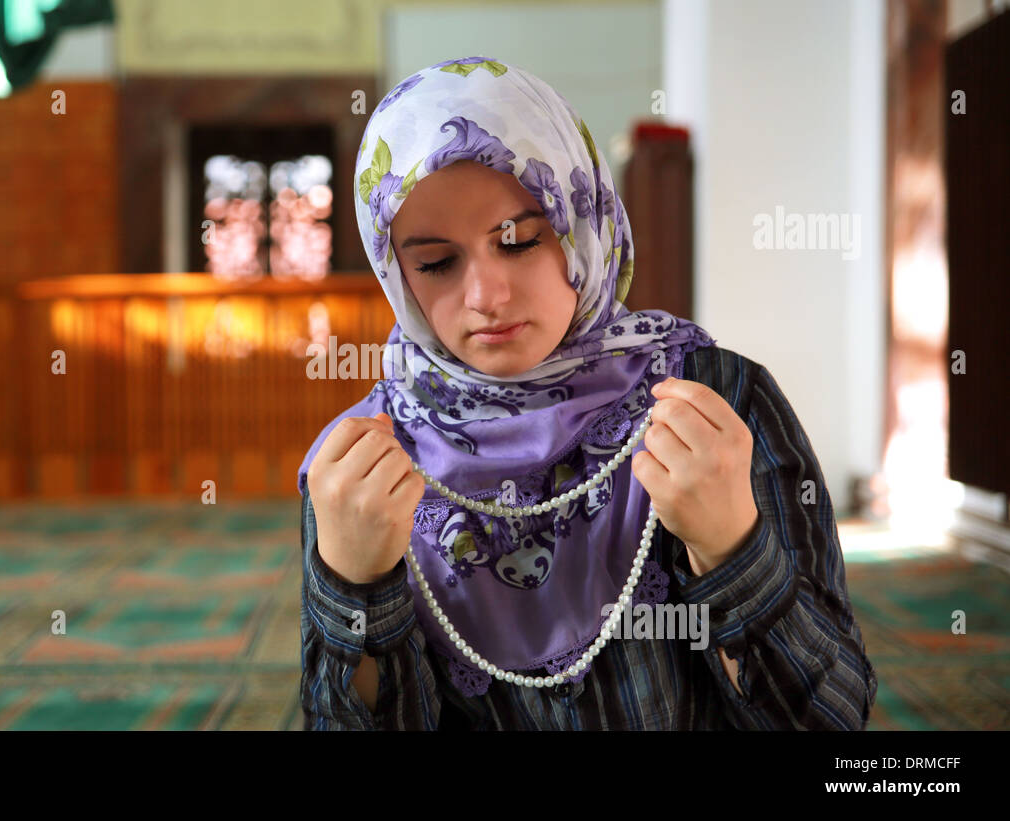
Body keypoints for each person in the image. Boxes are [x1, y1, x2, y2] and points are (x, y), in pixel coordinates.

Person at [296, 56, 877, 730]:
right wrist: (356, 586)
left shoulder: (716, 401)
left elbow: (833, 717)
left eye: (518, 241)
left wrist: (732, 548)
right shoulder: (363, 467)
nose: (486, 296)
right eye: (436, 263)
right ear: (396, 273)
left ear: (581, 220)